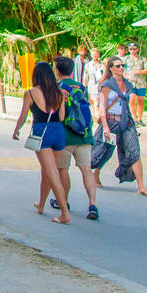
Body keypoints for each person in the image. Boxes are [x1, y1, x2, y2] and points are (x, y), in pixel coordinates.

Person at [12, 61, 71, 223]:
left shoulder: (30, 93)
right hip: (58, 132)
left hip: (42, 133)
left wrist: (16, 130)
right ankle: (41, 204)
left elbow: (23, 115)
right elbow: (61, 117)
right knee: (47, 171)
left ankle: (64, 213)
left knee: (52, 174)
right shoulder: (59, 92)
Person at [54, 56, 101, 220]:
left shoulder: (57, 87)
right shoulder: (81, 87)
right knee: (86, 170)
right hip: (84, 135)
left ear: (57, 70)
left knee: (62, 170)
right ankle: (92, 204)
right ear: (72, 70)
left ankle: (64, 201)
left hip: (65, 135)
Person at [99, 57, 147, 197]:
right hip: (111, 122)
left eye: (123, 66)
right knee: (105, 151)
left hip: (126, 122)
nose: (121, 68)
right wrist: (105, 126)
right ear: (111, 68)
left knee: (134, 151)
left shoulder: (128, 85)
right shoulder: (106, 85)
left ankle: (141, 186)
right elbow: (102, 108)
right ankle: (95, 174)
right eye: (118, 66)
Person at [125, 41, 147, 125]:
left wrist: (138, 71)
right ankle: (135, 119)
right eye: (130, 49)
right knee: (132, 100)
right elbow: (121, 71)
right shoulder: (126, 59)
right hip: (130, 83)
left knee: (140, 101)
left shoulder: (142, 59)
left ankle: (140, 119)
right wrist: (127, 77)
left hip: (141, 82)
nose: (132, 51)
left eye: (134, 49)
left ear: (137, 49)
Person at [83, 47, 104, 115]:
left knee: (98, 101)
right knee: (91, 101)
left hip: (100, 85)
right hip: (91, 85)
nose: (95, 55)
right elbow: (85, 77)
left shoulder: (102, 64)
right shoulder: (88, 65)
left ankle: (98, 115)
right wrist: (83, 87)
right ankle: (93, 116)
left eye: (96, 54)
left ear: (98, 54)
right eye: (93, 54)